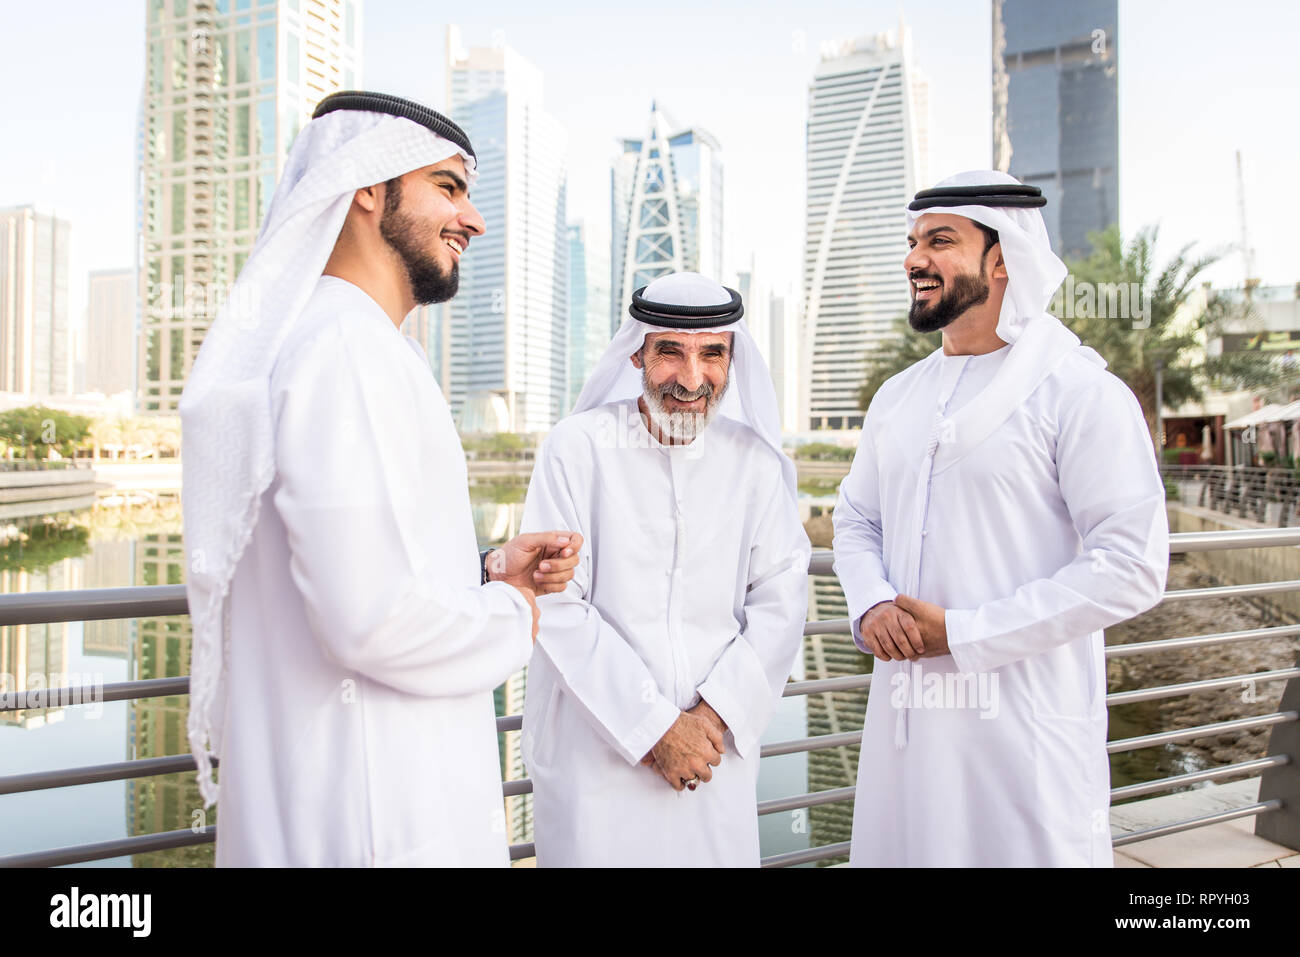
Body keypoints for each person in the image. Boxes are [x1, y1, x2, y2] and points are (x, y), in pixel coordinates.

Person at [179, 91, 582, 867]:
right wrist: (514, 612)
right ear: (369, 185)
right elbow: (367, 619)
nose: (475, 219)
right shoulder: (343, 352)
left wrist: (488, 568)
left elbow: (364, 562)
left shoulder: (365, 347)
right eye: (449, 188)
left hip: (366, 792)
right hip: (370, 818)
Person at [833, 171, 1168, 867]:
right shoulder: (898, 397)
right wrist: (868, 602)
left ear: (1003, 257)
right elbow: (856, 517)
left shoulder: (1079, 392)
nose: (914, 259)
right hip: (904, 731)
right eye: (913, 241)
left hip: (1024, 734)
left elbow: (1133, 564)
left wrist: (960, 633)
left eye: (940, 241)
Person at [519, 272, 809, 866]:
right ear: (637, 355)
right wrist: (652, 726)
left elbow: (782, 597)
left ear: (732, 361)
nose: (691, 378)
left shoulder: (753, 463)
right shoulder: (577, 449)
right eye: (670, 352)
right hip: (597, 752)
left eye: (712, 354)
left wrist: (714, 714)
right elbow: (556, 601)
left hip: (712, 751)